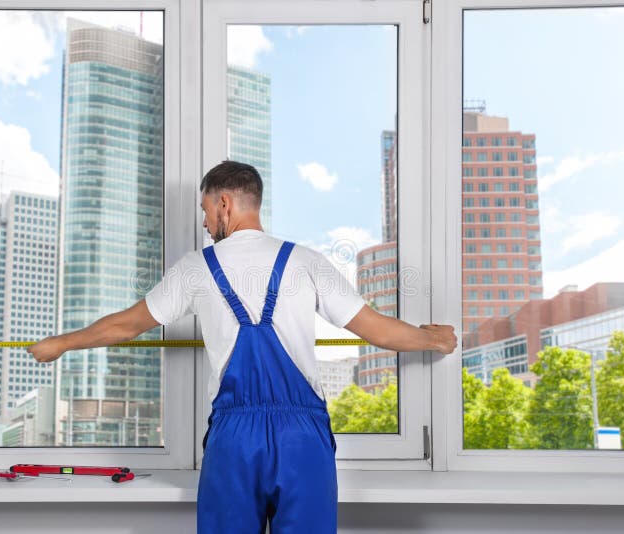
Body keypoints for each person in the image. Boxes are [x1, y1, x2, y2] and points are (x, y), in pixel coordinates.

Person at [28, 160, 457, 533]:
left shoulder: (195, 269)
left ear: (225, 204)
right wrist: (432, 338)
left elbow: (125, 325)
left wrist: (61, 343)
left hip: (235, 439)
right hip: (302, 439)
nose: (203, 223)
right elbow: (376, 330)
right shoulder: (306, 261)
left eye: (205, 210)